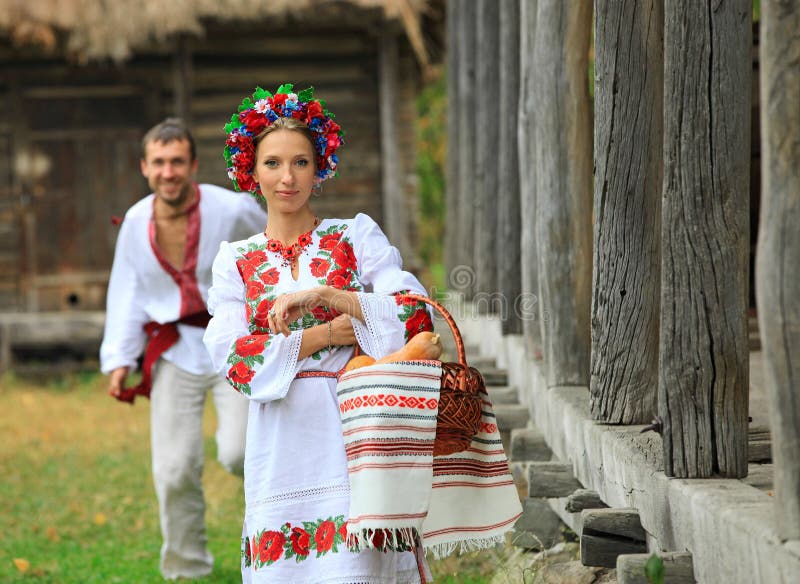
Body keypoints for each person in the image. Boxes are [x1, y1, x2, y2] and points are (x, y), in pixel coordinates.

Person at [202, 84, 435, 583]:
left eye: (301, 163)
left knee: (358, 566)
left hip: (358, 426)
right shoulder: (235, 260)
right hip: (281, 437)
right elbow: (236, 360)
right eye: (273, 163)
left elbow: (415, 317)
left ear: (319, 167)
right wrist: (332, 334)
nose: (287, 178)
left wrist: (331, 296)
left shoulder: (355, 236)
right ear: (251, 170)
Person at [100, 118, 267, 580]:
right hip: (174, 348)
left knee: (241, 453)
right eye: (158, 162)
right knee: (173, 469)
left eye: (177, 161)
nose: (168, 172)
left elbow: (270, 246)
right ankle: (187, 568)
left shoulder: (232, 209)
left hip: (234, 341)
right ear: (144, 167)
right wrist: (119, 358)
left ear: (193, 164)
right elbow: (127, 289)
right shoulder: (135, 222)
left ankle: (275, 547)